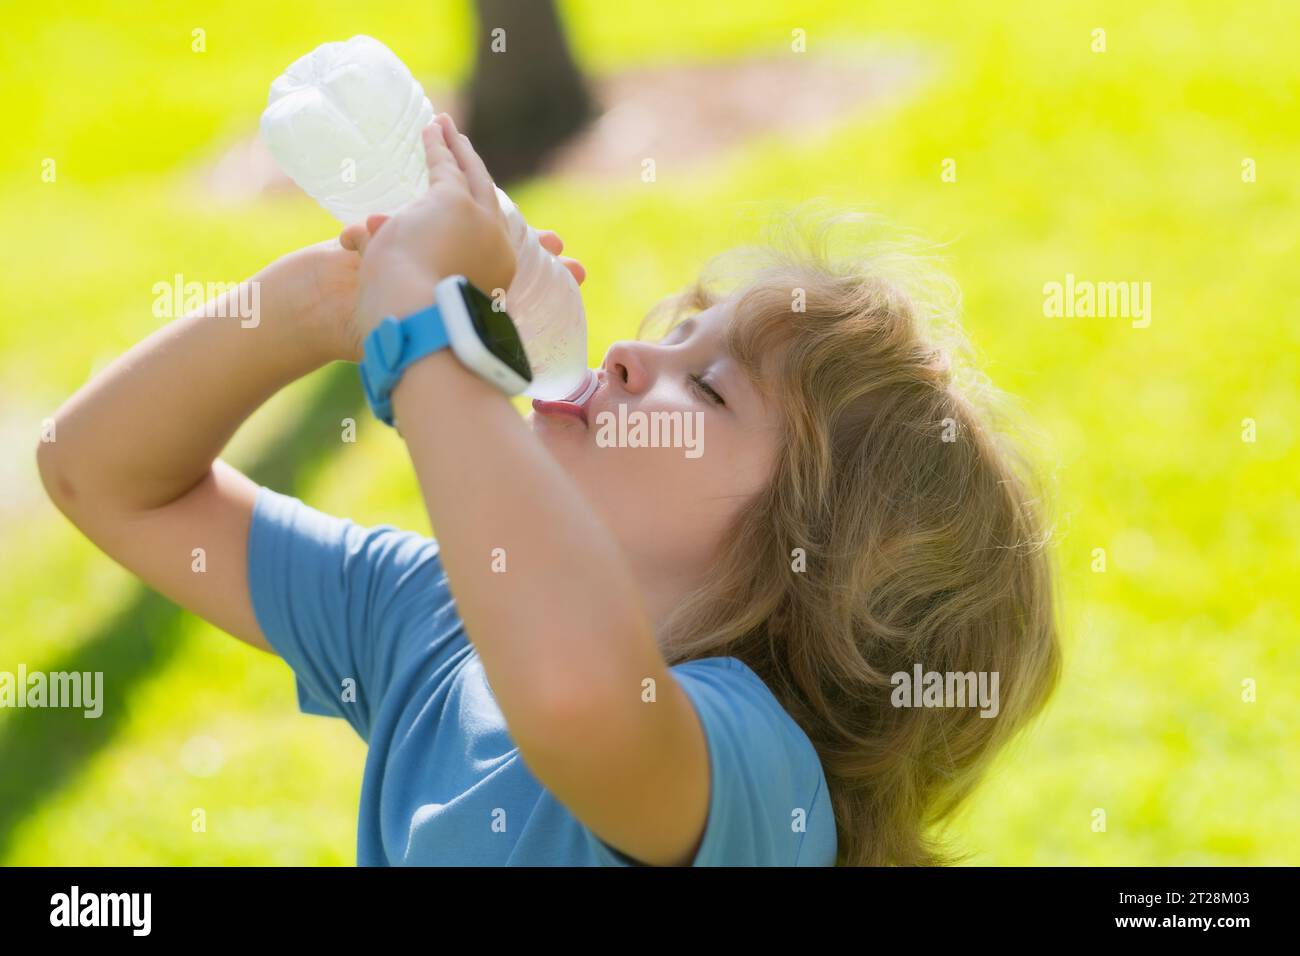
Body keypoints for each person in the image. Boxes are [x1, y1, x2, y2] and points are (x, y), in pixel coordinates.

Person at [37, 112, 1062, 866]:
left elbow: (577, 696)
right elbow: (103, 474)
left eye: (703, 384)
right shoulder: (434, 620)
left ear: (815, 560)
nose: (621, 353)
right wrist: (328, 302)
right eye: (667, 334)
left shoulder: (759, 770)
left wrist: (424, 337)